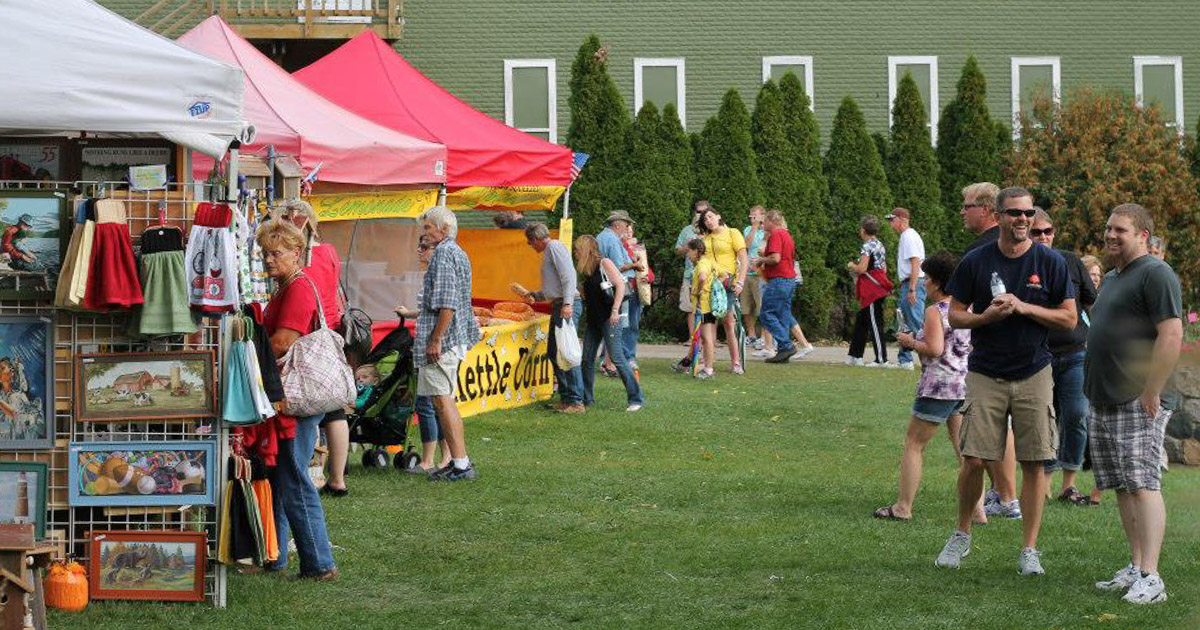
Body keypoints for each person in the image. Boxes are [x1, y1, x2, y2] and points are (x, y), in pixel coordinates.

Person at [934, 186, 1077, 576]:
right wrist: (985, 318)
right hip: (986, 371)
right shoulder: (976, 261)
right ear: (998, 216)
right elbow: (955, 314)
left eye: (1029, 213)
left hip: (1034, 371)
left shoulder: (1050, 262)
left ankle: (1029, 549)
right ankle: (962, 533)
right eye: (1015, 213)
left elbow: (1069, 318)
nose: (1023, 220)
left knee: (1034, 462)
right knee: (974, 458)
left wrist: (1023, 306)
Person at [1086, 203, 1183, 604]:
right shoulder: (1112, 277)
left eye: (1120, 230)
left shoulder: (1156, 273)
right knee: (1123, 487)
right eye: (1108, 228)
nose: (1111, 235)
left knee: (1143, 484)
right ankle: (1136, 566)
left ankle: (1152, 577)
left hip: (1137, 398)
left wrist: (1151, 389)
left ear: (1143, 235)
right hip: (1104, 398)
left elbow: (1172, 334)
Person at [257, 218, 337, 581]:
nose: (268, 259)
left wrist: (250, 360)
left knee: (293, 477)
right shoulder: (287, 287)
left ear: (296, 252)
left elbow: (283, 342)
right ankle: (275, 555)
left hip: (297, 397)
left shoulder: (299, 289)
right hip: (290, 397)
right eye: (265, 253)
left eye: (276, 253)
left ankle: (319, 562)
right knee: (281, 476)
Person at [875, 251, 975, 521]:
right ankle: (977, 511)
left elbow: (935, 349)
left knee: (914, 444)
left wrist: (910, 342)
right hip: (963, 386)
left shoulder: (935, 311)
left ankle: (902, 507)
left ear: (939, 282)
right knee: (965, 452)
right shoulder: (967, 308)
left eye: (927, 278)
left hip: (938, 388)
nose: (924, 283)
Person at [279, 199, 349, 498]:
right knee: (333, 407)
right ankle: (337, 478)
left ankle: (310, 475)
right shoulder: (329, 251)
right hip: (329, 328)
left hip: (306, 332)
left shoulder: (301, 259)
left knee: (308, 403)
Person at [1030, 208, 1099, 505]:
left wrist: (1100, 339)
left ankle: (1069, 484)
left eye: (1048, 231)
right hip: (1039, 355)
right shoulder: (1021, 264)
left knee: (1077, 414)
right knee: (1044, 419)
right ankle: (1044, 480)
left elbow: (1092, 304)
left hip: (1075, 353)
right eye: (1036, 232)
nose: (1043, 237)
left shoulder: (1071, 261)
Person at [961, 181, 1019, 517]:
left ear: (986, 210)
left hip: (995, 354)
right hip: (1010, 351)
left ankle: (1007, 496)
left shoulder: (985, 251)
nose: (962, 212)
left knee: (996, 426)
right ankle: (1002, 494)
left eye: (967, 206)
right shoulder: (1004, 246)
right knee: (999, 425)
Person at [417, 207, 482, 482]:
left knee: (442, 402)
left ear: (443, 229)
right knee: (445, 401)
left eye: (428, 227)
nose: (424, 233)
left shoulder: (443, 254)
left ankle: (461, 464)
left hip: (444, 341)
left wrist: (436, 339)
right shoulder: (457, 251)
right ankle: (458, 461)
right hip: (454, 338)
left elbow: (448, 303)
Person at [513, 222, 584, 414]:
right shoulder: (552, 249)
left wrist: (568, 303)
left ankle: (575, 401)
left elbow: (569, 277)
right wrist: (535, 295)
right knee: (555, 352)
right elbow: (555, 287)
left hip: (565, 306)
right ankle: (567, 398)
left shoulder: (554, 247)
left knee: (566, 352)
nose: (530, 245)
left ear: (536, 239)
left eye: (529, 242)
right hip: (560, 304)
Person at [396, 236, 451, 474]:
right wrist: (409, 314)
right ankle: (446, 456)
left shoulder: (439, 273)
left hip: (433, 347)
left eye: (425, 247)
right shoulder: (433, 273)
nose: (419, 250)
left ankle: (428, 460)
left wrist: (435, 341)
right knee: (438, 402)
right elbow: (432, 310)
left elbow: (446, 310)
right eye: (419, 246)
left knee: (428, 402)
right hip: (429, 344)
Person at [575, 235, 644, 410]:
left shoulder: (604, 263)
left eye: (577, 249)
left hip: (609, 317)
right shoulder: (587, 269)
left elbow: (620, 285)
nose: (575, 253)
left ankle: (636, 399)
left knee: (617, 358)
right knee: (586, 359)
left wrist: (615, 310)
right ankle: (587, 399)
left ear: (586, 249)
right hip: (594, 319)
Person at [697, 206, 749, 374]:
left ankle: (735, 362)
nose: (708, 221)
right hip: (710, 285)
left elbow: (743, 258)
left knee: (728, 322)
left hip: (728, 284)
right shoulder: (705, 238)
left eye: (710, 217)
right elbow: (701, 260)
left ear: (719, 216)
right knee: (710, 324)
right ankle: (707, 362)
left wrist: (740, 282)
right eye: (705, 219)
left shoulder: (733, 233)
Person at [757, 210, 805, 363]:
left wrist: (760, 260)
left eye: (764, 221)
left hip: (778, 280)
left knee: (766, 314)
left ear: (772, 221)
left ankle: (786, 345)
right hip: (789, 280)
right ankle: (784, 353)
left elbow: (775, 258)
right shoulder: (786, 234)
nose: (763, 224)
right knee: (783, 315)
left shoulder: (776, 234)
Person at [596, 211, 639, 377]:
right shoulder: (613, 240)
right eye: (626, 224)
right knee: (616, 326)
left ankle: (607, 363)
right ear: (617, 224)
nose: (627, 228)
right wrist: (634, 265)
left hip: (604, 288)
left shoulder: (601, 237)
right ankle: (610, 365)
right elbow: (618, 267)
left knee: (610, 326)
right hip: (616, 289)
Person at [846, 215, 890, 367]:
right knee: (862, 321)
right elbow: (884, 268)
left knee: (875, 323)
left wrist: (852, 265)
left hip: (871, 290)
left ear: (863, 230)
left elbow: (862, 268)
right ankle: (855, 355)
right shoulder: (880, 245)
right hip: (879, 287)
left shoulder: (867, 246)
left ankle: (881, 359)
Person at [887, 207, 926, 370]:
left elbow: (915, 262)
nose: (890, 223)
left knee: (916, 323)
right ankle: (905, 360)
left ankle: (928, 360)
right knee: (904, 323)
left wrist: (912, 289)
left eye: (892, 220)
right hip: (909, 283)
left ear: (902, 220)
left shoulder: (909, 236)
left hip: (912, 283)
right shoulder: (907, 235)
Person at [673, 201, 709, 372]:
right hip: (689, 275)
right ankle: (693, 339)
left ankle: (703, 351)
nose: (700, 214)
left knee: (707, 312)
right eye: (698, 211)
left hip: (706, 277)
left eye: (704, 212)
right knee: (690, 309)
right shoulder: (687, 230)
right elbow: (677, 250)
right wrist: (688, 246)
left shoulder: (711, 230)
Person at [618, 220, 652, 370]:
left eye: (631, 231)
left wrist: (648, 278)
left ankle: (630, 357)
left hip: (635, 292)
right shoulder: (619, 246)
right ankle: (611, 357)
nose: (629, 234)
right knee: (618, 326)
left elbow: (647, 270)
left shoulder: (639, 249)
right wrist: (627, 244)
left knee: (632, 326)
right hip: (621, 291)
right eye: (626, 231)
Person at [687, 238, 718, 378]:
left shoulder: (702, 263)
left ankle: (708, 369)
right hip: (708, 304)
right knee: (706, 337)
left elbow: (702, 278)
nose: (688, 254)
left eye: (689, 251)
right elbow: (722, 274)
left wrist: (699, 291)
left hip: (703, 305)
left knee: (706, 337)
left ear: (695, 251)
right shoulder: (709, 261)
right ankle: (705, 365)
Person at [742, 206, 768, 354]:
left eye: (755, 215)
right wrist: (753, 227)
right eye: (750, 215)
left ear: (762, 216)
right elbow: (746, 245)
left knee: (762, 306)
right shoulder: (748, 229)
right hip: (747, 272)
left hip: (761, 273)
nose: (752, 217)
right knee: (747, 307)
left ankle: (764, 337)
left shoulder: (767, 230)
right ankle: (751, 335)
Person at [961, 182, 1001, 253]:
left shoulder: (979, 250)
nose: (962, 212)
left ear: (984, 210)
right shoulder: (1014, 241)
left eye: (967, 207)